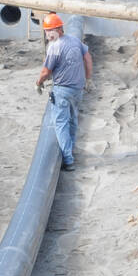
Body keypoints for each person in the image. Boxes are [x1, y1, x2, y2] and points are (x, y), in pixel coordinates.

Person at [36, 13, 93, 171]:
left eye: (48, 31)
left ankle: (68, 160)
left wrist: (38, 83)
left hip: (62, 90)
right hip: (78, 90)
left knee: (60, 123)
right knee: (73, 120)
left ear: (56, 30)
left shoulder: (54, 47)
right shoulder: (75, 41)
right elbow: (88, 58)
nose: (47, 35)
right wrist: (88, 79)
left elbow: (46, 72)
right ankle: (71, 150)